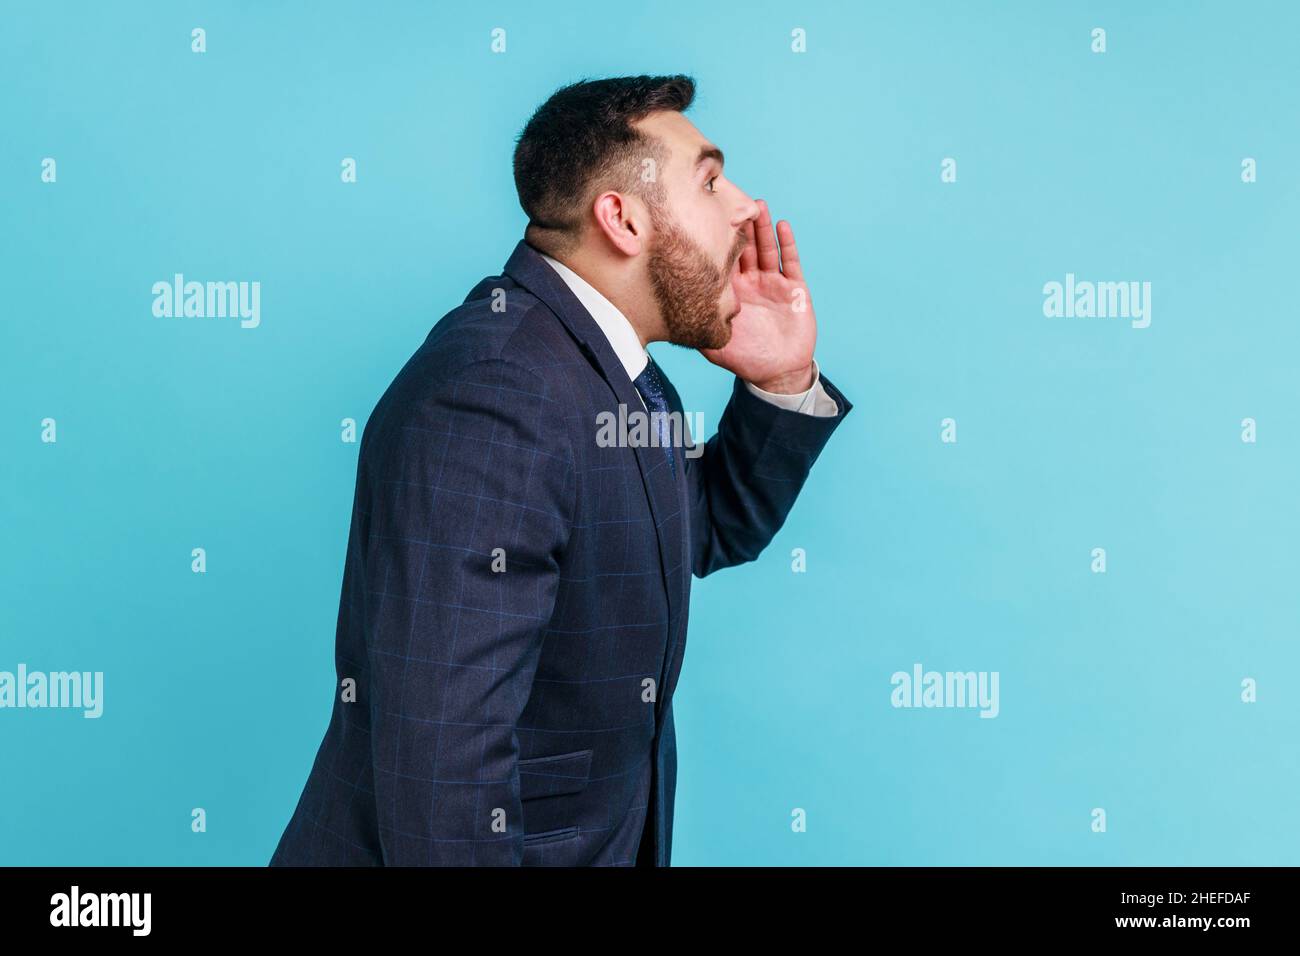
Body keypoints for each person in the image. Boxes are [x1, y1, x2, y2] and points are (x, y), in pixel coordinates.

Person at [270, 74, 853, 867]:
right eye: (711, 181)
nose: (748, 206)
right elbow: (444, 770)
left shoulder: (609, 373)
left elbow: (699, 528)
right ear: (622, 218)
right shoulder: (496, 393)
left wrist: (781, 378)